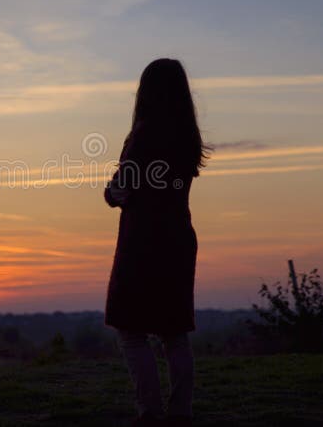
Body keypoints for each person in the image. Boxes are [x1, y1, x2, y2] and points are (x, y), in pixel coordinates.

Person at [104, 58, 211, 427]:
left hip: (143, 241)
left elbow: (122, 187)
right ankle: (181, 412)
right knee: (174, 332)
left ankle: (149, 413)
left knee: (131, 330)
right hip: (179, 238)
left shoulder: (144, 134)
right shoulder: (187, 137)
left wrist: (110, 193)